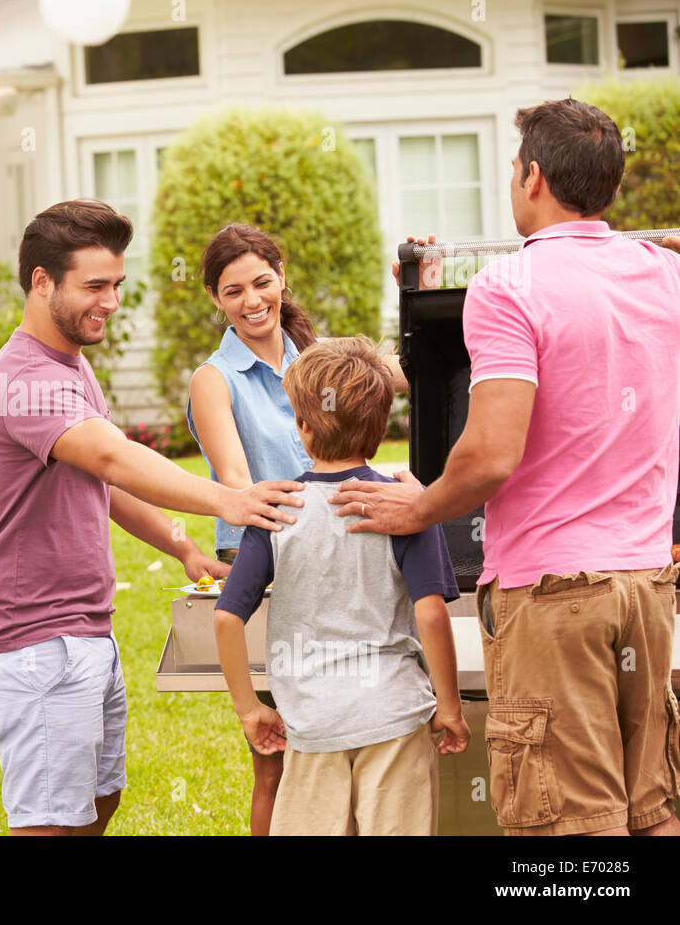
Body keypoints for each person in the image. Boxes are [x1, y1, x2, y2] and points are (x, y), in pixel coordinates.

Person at [331, 98, 680, 836]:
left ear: (531, 178)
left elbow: (491, 453)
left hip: (554, 595)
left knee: (572, 834)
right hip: (648, 589)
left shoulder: (508, 286)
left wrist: (419, 509)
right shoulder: (664, 277)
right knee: (651, 812)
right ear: (610, 187)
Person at [0, 199, 307, 835]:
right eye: (95, 286)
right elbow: (111, 457)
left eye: (116, 285)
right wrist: (227, 500)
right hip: (34, 637)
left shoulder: (68, 363)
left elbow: (99, 481)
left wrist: (181, 546)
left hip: (80, 629)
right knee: (50, 823)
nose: (111, 302)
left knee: (98, 805)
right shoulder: (27, 378)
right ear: (42, 282)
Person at [186, 223, 409, 835]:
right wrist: (319, 498)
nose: (252, 301)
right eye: (234, 292)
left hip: (338, 552)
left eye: (262, 282)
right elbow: (237, 480)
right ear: (215, 298)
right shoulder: (215, 380)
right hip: (269, 565)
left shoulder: (318, 360)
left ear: (281, 275)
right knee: (280, 756)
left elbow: (401, 379)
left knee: (352, 736)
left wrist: (413, 288)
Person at [213, 337, 468, 835]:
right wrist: (451, 708)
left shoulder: (276, 509)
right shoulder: (405, 504)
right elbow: (432, 614)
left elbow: (225, 618)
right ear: (378, 431)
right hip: (395, 717)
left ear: (302, 428)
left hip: (312, 725)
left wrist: (249, 709)